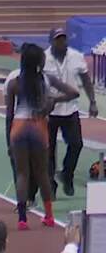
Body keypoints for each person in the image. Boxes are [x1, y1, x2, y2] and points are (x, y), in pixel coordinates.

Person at [5, 44, 79, 230]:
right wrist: (54, 100)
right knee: (42, 173)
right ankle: (49, 216)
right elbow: (74, 92)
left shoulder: (14, 82)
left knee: (22, 173)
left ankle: (22, 219)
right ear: (40, 61)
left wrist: (8, 141)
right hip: (39, 126)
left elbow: (9, 115)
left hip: (19, 126)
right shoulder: (47, 80)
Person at [45, 29, 98, 197]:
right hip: (49, 112)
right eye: (58, 40)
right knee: (48, 150)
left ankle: (67, 175)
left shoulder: (76, 56)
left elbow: (86, 80)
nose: (62, 43)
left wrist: (92, 102)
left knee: (76, 144)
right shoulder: (44, 59)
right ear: (51, 42)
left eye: (64, 39)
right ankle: (50, 185)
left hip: (70, 110)